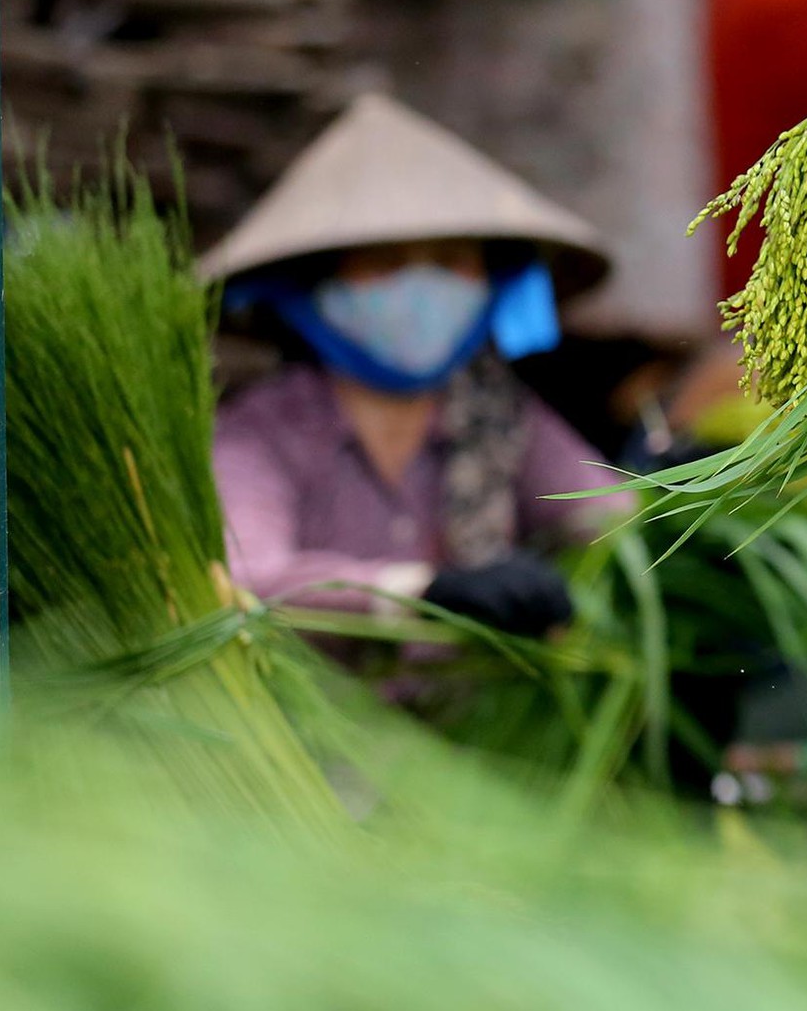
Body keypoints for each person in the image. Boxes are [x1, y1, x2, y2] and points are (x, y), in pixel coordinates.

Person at [204, 94, 631, 641]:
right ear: (315, 285)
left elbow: (608, 520)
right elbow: (246, 575)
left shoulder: (501, 419)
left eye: (451, 262)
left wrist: (687, 498)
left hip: (466, 696)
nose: (424, 287)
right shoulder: (263, 433)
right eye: (386, 263)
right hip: (303, 696)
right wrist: (420, 593)